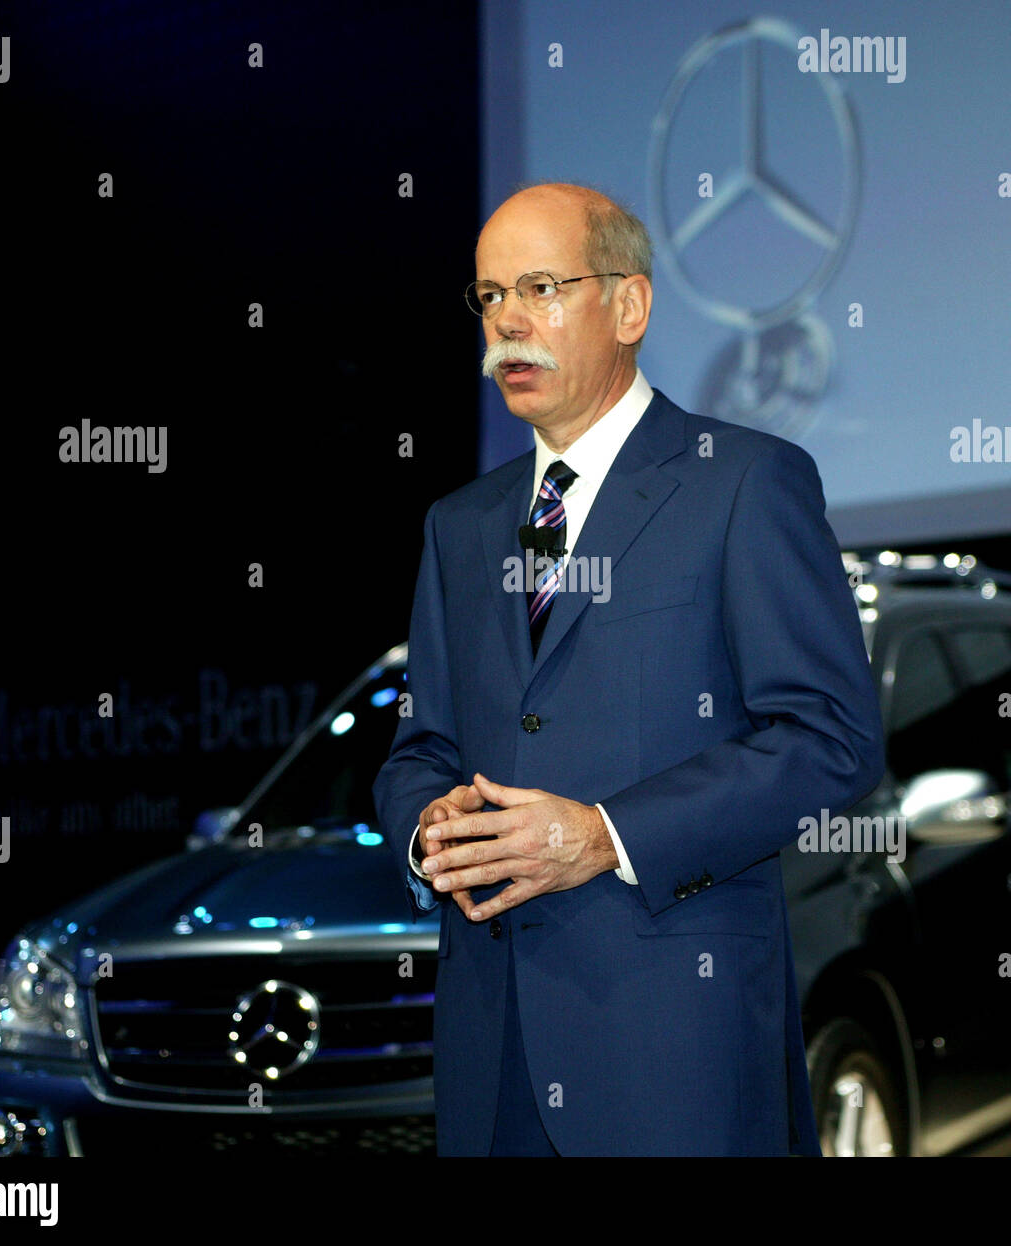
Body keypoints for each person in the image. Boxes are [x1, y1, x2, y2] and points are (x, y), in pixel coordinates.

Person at [372, 182, 883, 1156]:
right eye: (488, 297)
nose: (508, 321)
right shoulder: (459, 526)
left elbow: (831, 736)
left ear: (630, 306)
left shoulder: (742, 482)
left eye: (539, 287)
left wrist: (607, 835)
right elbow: (417, 746)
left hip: (674, 1063)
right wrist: (426, 824)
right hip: (494, 1068)